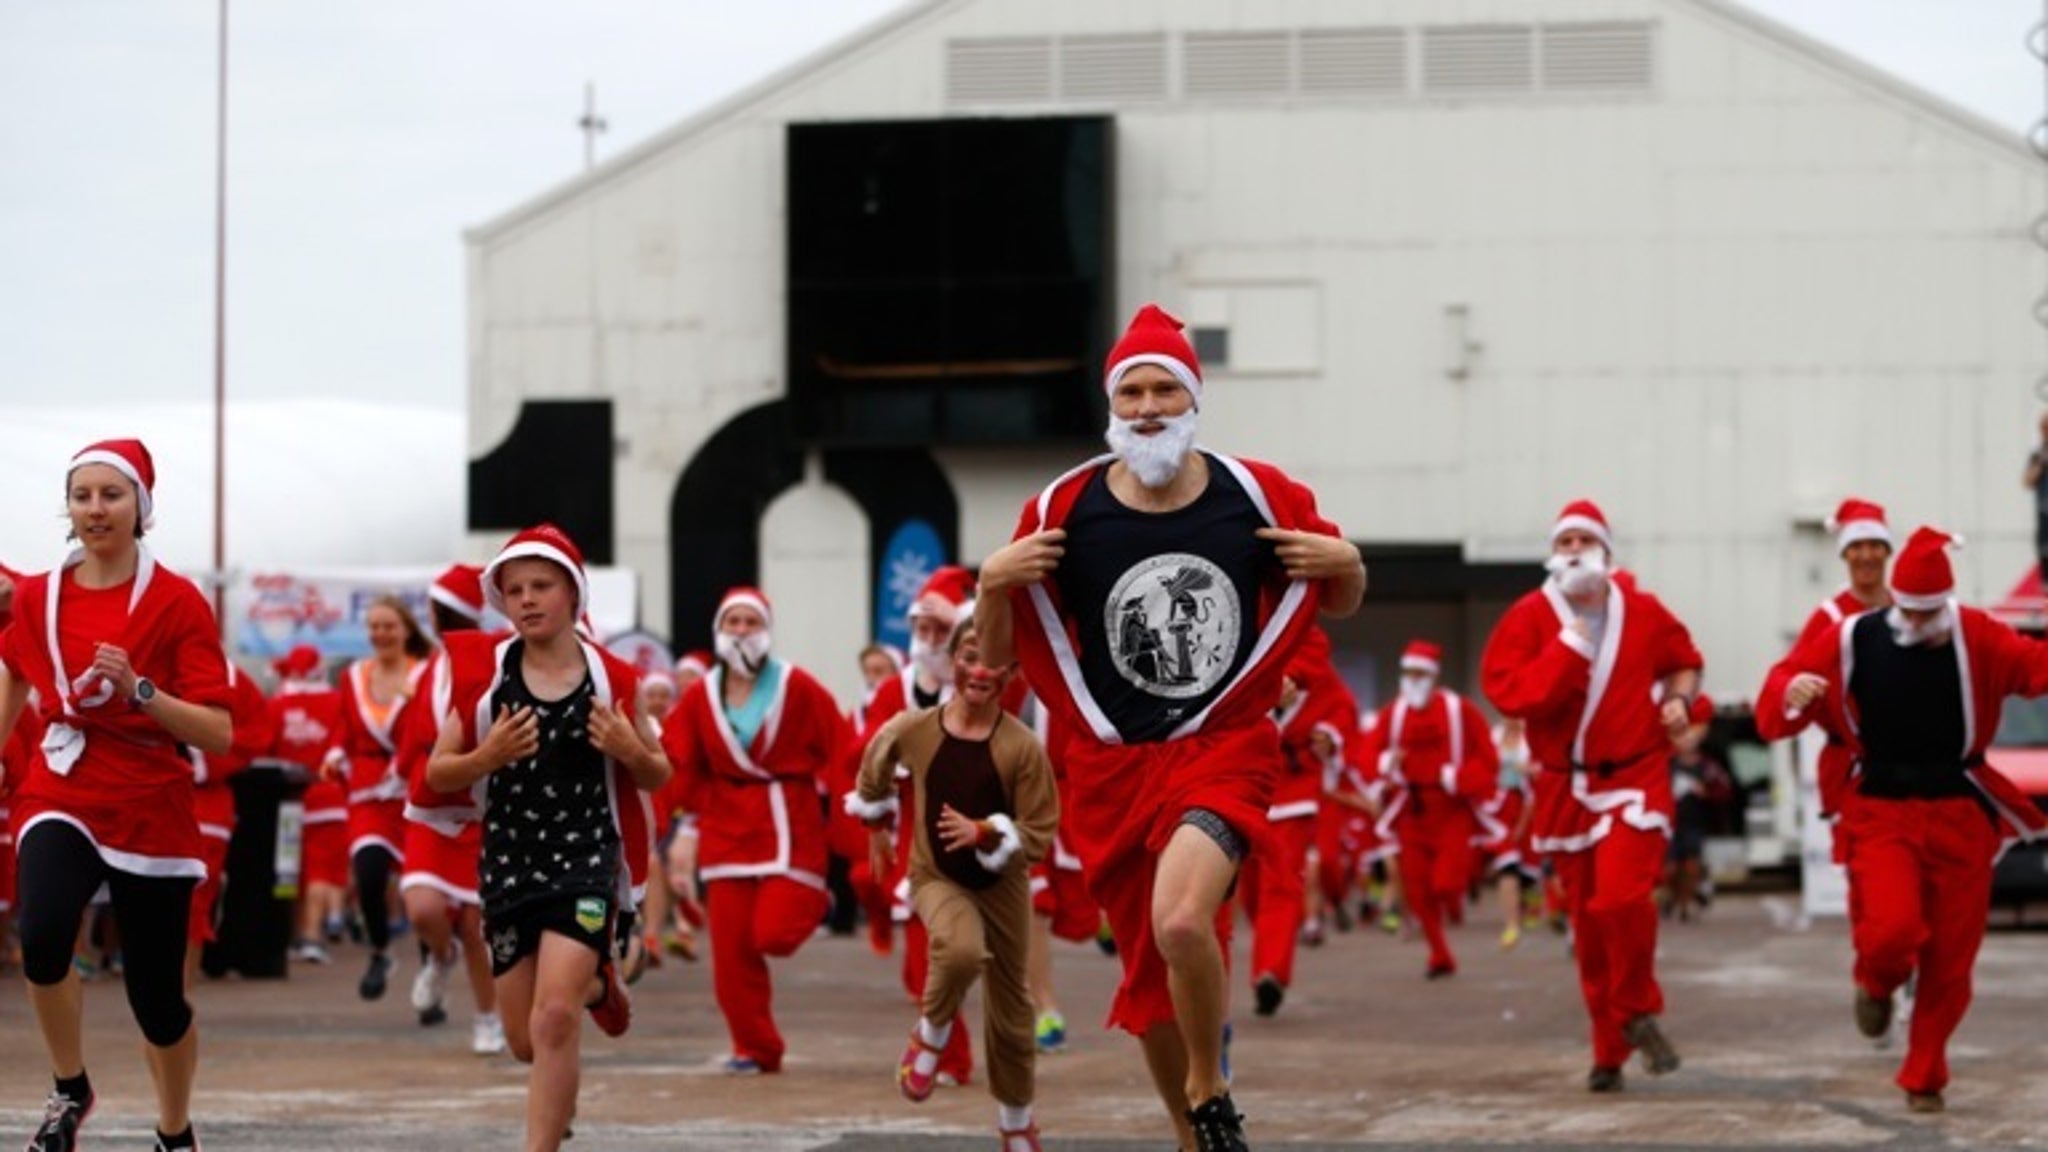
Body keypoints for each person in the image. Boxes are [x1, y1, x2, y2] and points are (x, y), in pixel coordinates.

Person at [975, 303, 1366, 1150]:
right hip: (1111, 768)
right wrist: (989, 582)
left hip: (1223, 746)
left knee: (1183, 923)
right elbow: (1001, 653)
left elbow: (1333, 589)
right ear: (1111, 405)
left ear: (1192, 401)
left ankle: (1209, 1081)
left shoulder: (1257, 492)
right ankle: (1190, 1132)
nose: (1148, 407)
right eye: (1132, 392)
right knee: (1150, 982)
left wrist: (1353, 564)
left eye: (1165, 389)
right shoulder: (1060, 507)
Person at [1756, 526, 2048, 1112]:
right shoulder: (1851, 638)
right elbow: (1777, 695)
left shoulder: (1978, 637)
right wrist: (1794, 690)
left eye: (1928, 613)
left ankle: (1924, 1073)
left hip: (1959, 814)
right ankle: (1875, 980)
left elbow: (2036, 667)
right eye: (1908, 612)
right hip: (1882, 811)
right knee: (1890, 931)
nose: (1916, 624)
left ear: (1947, 602)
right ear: (1896, 602)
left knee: (1950, 959)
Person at [0, 439, 234, 1152]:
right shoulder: (39, 596)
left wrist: (141, 689)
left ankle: (174, 1127)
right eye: (82, 495)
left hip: (150, 799)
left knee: (157, 1001)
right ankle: (70, 1087)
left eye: (111, 494)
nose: (95, 508)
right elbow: (15, 666)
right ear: (68, 510)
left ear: (142, 507)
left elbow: (219, 733)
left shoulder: (177, 601)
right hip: (62, 785)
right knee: (40, 937)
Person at [423, 524, 668, 1151]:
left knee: (555, 1018)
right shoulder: (484, 675)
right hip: (509, 862)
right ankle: (598, 983)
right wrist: (486, 756)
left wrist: (627, 747)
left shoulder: (614, 679)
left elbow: (658, 773)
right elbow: (435, 771)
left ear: (573, 594)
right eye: (515, 589)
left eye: (542, 586)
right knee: (527, 1038)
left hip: (585, 857)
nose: (527, 599)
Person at [1480, 499, 1702, 1094]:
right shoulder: (1531, 617)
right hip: (1564, 787)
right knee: (1587, 923)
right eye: (1566, 540)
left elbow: (1685, 664)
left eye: (1586, 539)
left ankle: (1635, 1007)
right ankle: (1610, 1048)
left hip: (1634, 777)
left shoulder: (1646, 612)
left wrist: (1679, 700)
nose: (1575, 548)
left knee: (1622, 899)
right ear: (1555, 553)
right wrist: (1570, 646)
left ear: (1605, 549)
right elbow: (1516, 697)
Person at [853, 621, 1059, 1152]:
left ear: (1013, 673)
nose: (980, 671)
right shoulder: (915, 728)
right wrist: (876, 826)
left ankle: (1017, 1120)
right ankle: (932, 1034)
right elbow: (874, 765)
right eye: (971, 656)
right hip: (935, 875)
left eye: (995, 662)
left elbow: (1038, 832)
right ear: (952, 661)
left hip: (1003, 886)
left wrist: (987, 830)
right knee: (961, 950)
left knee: (1013, 1014)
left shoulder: (1022, 747)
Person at [658, 587, 852, 1074]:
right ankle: (755, 1047)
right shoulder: (701, 694)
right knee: (731, 952)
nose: (741, 631)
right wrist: (680, 823)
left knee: (773, 935)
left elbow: (842, 743)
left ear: (765, 630)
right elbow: (679, 762)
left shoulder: (797, 685)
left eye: (750, 622)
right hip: (726, 825)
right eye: (732, 623)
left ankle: (818, 901)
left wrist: (862, 803)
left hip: (787, 814)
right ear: (718, 631)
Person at [398, 563, 506, 1053]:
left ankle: (488, 1017)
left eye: (437, 609)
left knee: (476, 924)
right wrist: (401, 771)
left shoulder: (492, 657)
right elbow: (413, 733)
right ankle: (440, 956)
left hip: (480, 804)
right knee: (422, 906)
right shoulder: (427, 670)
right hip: (429, 803)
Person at [1357, 640, 1499, 980]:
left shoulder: (1459, 710)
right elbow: (1365, 756)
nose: (1411, 680)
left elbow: (1487, 759)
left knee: (1445, 883)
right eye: (1407, 673)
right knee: (1417, 889)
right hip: (1411, 809)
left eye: (1419, 673)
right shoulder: (1394, 714)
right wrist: (1386, 763)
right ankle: (1439, 954)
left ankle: (1454, 906)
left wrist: (1458, 777)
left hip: (1451, 809)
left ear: (1432, 676)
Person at [1241, 625, 1355, 1013]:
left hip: (1294, 790)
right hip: (1243, 787)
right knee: (1251, 891)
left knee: (1282, 882)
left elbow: (1342, 708)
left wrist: (1328, 735)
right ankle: (1271, 946)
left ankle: (1269, 973)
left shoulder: (1314, 661)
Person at [326, 594, 432, 1000]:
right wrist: (336, 753)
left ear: (406, 629)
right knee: (368, 874)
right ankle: (381, 950)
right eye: (374, 626)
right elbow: (344, 728)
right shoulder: (354, 676)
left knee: (421, 890)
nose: (381, 634)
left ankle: (430, 966)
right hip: (369, 791)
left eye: (389, 625)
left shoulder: (424, 674)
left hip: (415, 791)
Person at [185, 659, 278, 982]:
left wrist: (201, 759)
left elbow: (257, 732)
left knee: (195, 898)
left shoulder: (227, 675)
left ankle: (180, 996)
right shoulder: (133, 660)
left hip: (206, 802)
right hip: (143, 800)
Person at [268, 644, 348, 963]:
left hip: (288, 803)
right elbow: (344, 749)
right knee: (322, 872)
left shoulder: (276, 705)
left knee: (291, 873)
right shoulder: (338, 703)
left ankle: (295, 934)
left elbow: (266, 747)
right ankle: (314, 934)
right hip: (328, 798)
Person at [1663, 695, 1733, 923]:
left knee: (1691, 864)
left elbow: (1724, 789)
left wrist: (1707, 792)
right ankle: (1674, 897)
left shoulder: (1706, 765)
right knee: (1671, 867)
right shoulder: (1667, 763)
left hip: (1694, 821)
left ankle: (1685, 903)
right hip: (1670, 821)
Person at [2023, 414, 2048, 583]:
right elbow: (2027, 481)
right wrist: (2041, 462)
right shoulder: (2037, 455)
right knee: (2044, 551)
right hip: (2044, 512)